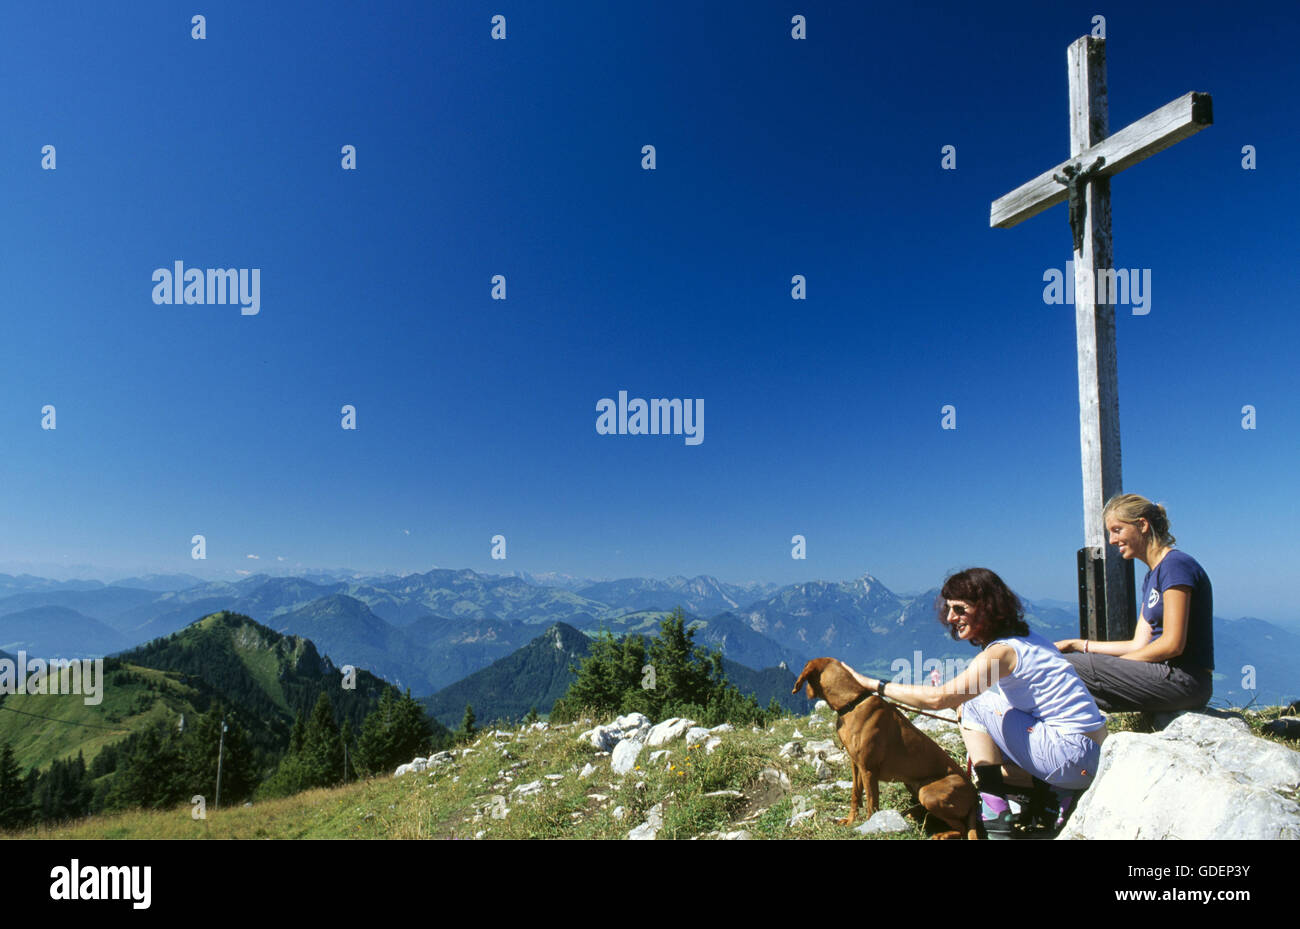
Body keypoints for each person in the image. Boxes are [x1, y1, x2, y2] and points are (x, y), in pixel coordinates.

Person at [844, 567, 1106, 837]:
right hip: (1091, 755)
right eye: (948, 609)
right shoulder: (1029, 640)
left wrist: (875, 685)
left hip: (1071, 755)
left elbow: (940, 698)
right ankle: (1049, 796)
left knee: (972, 704)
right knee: (984, 727)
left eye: (959, 609)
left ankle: (995, 814)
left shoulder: (1001, 653)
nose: (950, 617)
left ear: (987, 607)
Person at [1056, 493, 1214, 712]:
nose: (1111, 540)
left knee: (1062, 667)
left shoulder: (1175, 566)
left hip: (1184, 680)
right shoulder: (1153, 576)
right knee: (1067, 677)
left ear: (1142, 525)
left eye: (1117, 530)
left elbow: (1172, 644)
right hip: (1164, 676)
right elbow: (1139, 644)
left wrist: (1117, 666)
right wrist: (1077, 644)